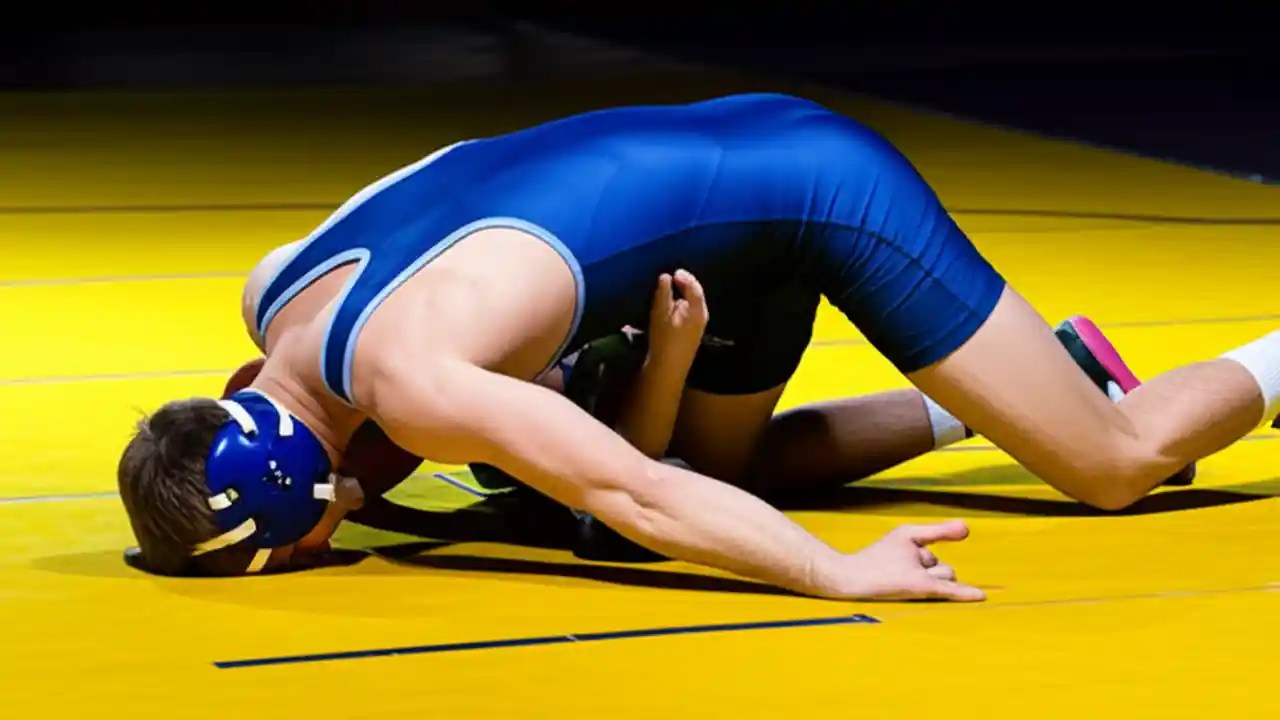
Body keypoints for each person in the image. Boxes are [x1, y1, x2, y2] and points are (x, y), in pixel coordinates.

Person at [117, 92, 1273, 601]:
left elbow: (638, 499)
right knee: (728, 478)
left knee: (1111, 466)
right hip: (708, 221)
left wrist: (836, 572)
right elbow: (474, 162)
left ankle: (1127, 392)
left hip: (818, 188)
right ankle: (1036, 377)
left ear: (300, 486)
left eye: (316, 537)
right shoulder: (276, 290)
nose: (339, 534)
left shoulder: (413, 384)